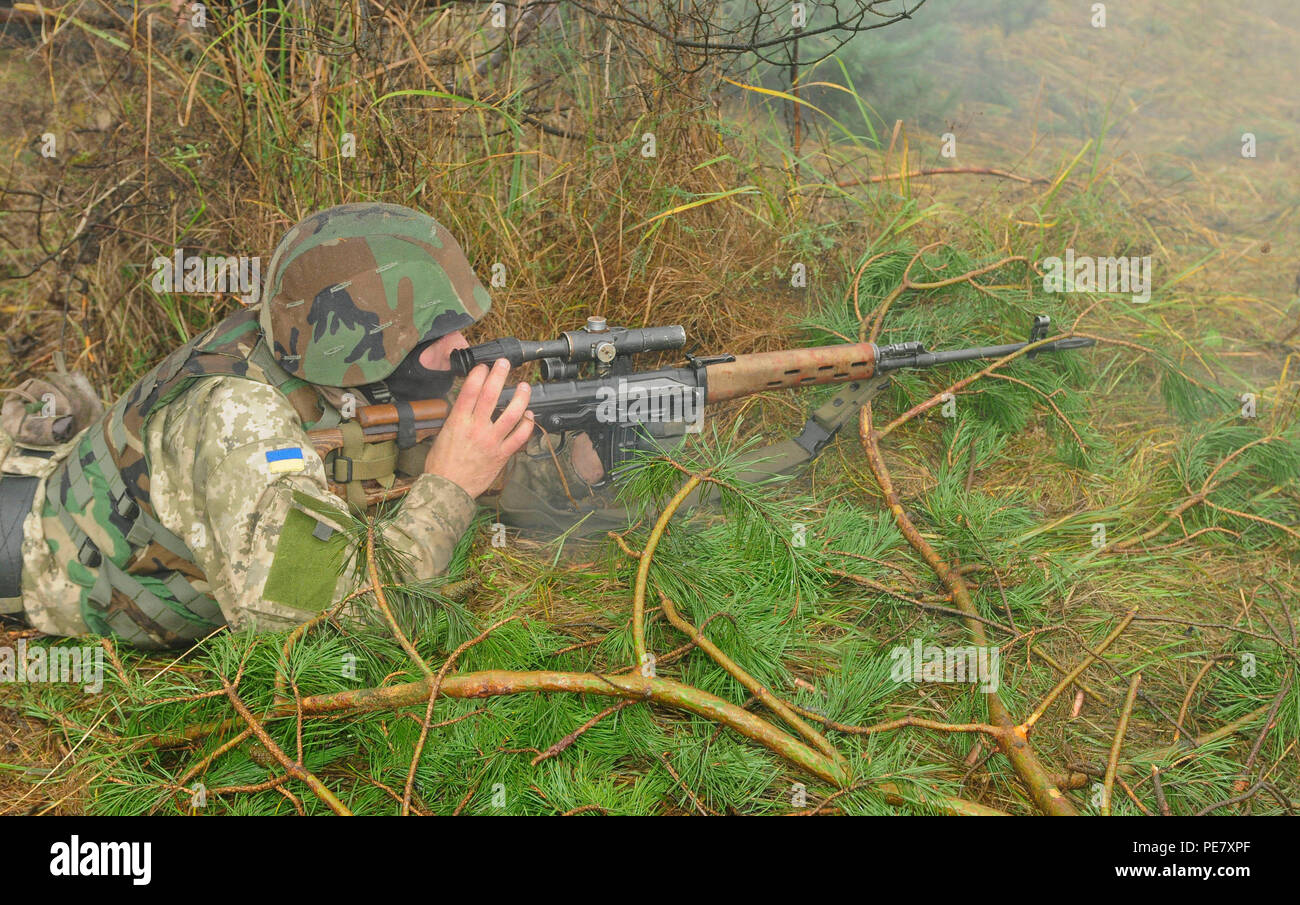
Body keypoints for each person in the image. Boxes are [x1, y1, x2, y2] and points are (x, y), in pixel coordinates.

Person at [0, 202, 616, 649]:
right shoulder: (239, 421)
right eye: (438, 333)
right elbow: (331, 615)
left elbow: (396, 449)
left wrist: (577, 461)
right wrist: (450, 488)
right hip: (47, 561)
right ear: (369, 349)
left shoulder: (328, 357)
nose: (463, 346)